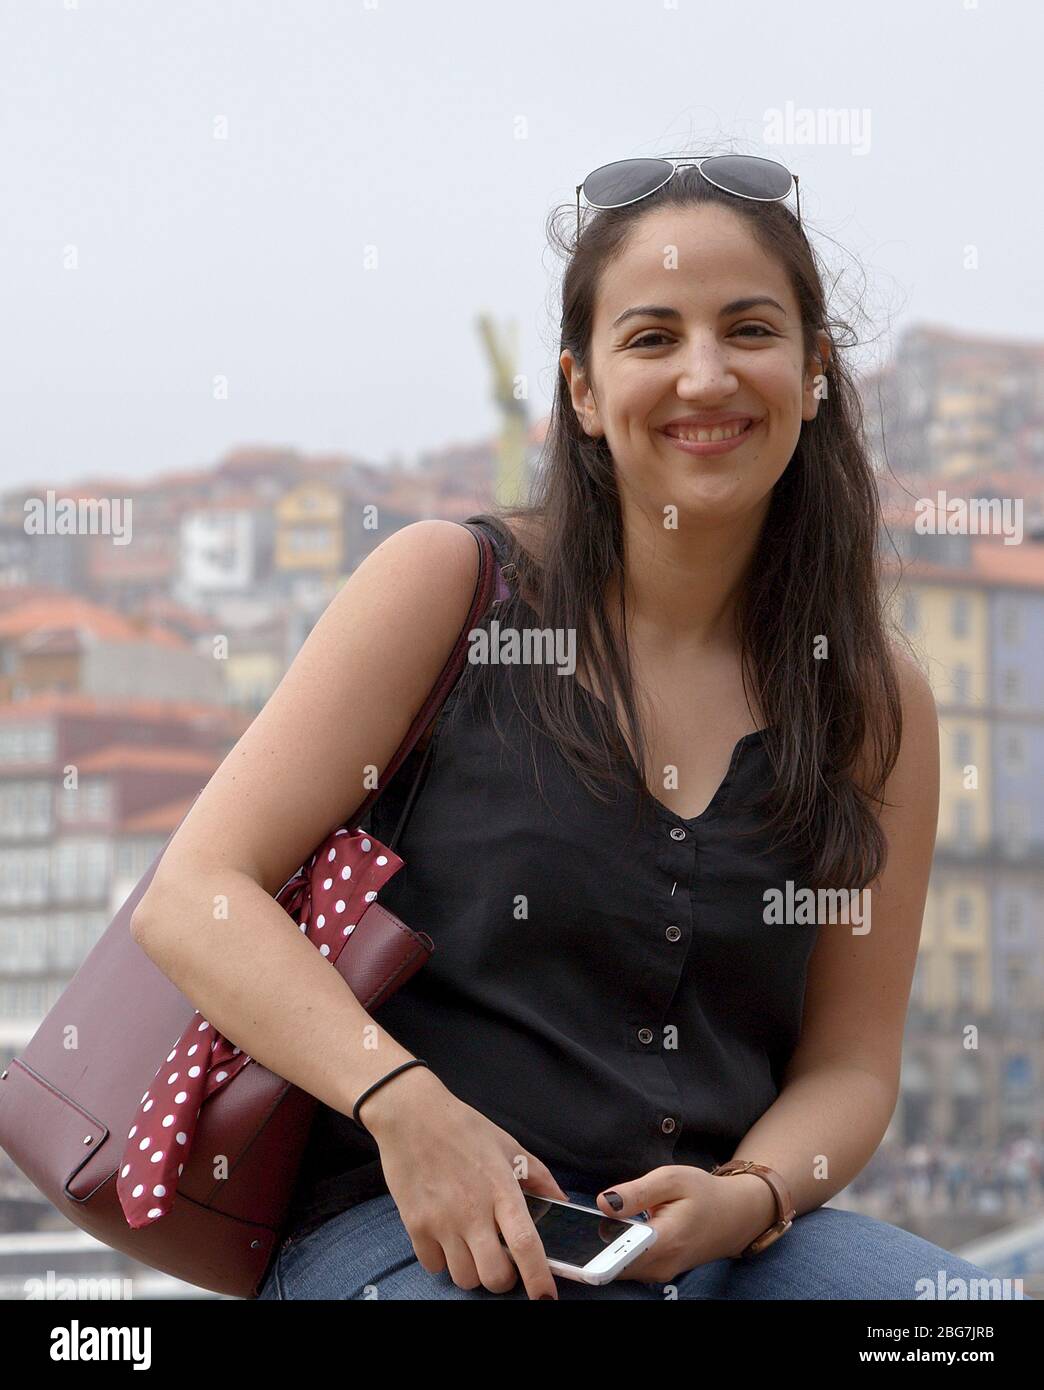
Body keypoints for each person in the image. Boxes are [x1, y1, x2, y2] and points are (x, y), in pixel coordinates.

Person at [132, 151, 1007, 1300]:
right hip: (411, 1220)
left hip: (715, 1245)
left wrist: (750, 1193)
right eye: (652, 338)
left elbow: (850, 1063)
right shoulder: (451, 589)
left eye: (750, 330)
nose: (705, 376)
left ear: (813, 375)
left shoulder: (872, 698)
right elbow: (195, 895)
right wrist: (405, 1105)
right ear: (583, 392)